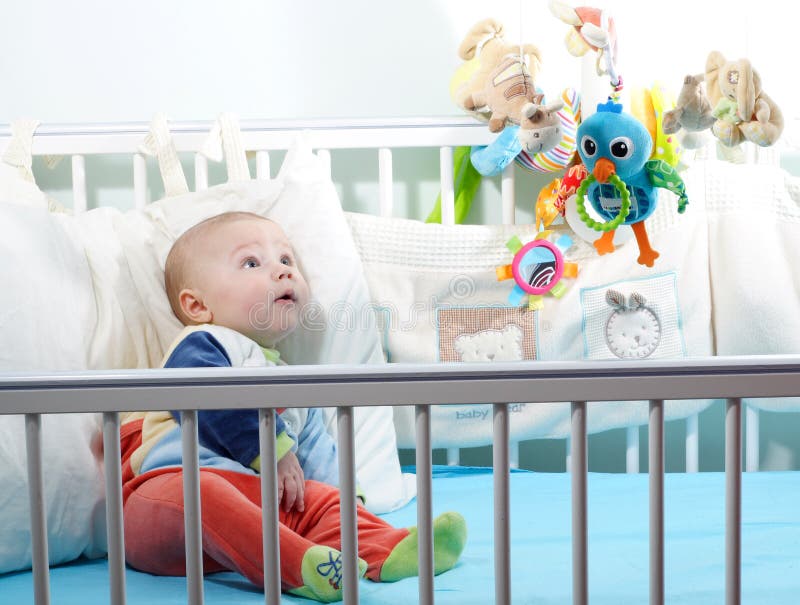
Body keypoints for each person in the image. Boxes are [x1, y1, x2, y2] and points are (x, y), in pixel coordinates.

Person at [120, 211, 466, 602]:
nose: (283, 271)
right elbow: (209, 402)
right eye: (252, 263)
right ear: (197, 305)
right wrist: (273, 451)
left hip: (252, 520)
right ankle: (298, 568)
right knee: (203, 491)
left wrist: (348, 505)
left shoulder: (290, 378)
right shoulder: (204, 344)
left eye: (286, 259)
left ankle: (387, 552)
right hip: (166, 508)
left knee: (321, 501)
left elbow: (318, 452)